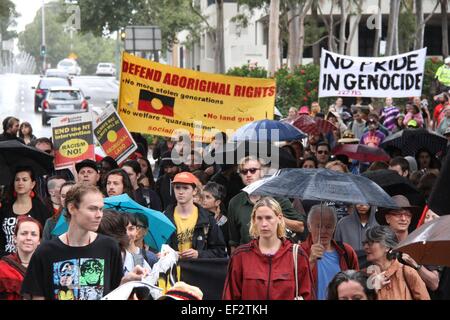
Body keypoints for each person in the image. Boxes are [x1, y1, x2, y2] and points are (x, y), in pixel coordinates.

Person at [21, 184, 144, 300]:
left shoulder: (109, 246)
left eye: (101, 209)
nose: (99, 215)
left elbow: (114, 293)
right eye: (92, 209)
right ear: (72, 208)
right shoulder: (45, 252)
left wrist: (125, 283)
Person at [223, 197, 313, 300]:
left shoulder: (297, 255)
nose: (264, 224)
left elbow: (308, 295)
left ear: (279, 218)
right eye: (259, 218)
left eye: (269, 217)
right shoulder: (240, 256)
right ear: (253, 220)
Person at [228, 156, 304, 252]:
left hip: (276, 256)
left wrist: (276, 218)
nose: (248, 174)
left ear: (262, 172)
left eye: (253, 170)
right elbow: (233, 242)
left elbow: (300, 226)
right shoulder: (235, 202)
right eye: (244, 171)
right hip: (248, 258)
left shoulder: (277, 197)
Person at [376, 195, 439, 292]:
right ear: (387, 218)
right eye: (398, 214)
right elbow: (366, 281)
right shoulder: (378, 246)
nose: (404, 218)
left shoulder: (422, 245)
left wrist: (417, 265)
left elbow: (434, 284)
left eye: (407, 214)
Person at [300, 205, 359, 300]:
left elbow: (357, 284)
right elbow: (293, 283)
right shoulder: (299, 251)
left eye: (328, 227)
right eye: (318, 226)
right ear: (309, 226)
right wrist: (310, 260)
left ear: (334, 227)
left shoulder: (346, 251)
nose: (323, 231)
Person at [164, 172, 227, 259]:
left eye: (185, 188)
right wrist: (164, 254)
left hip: (197, 270)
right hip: (172, 270)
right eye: (177, 187)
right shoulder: (164, 217)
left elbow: (220, 252)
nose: (181, 192)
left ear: (194, 191)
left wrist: (199, 254)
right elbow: (155, 249)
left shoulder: (208, 219)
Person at [363, 225, 430, 300]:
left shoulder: (407, 272)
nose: (365, 247)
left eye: (370, 243)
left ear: (387, 247)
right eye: (364, 243)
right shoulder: (363, 275)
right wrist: (373, 289)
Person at [0, 166, 50, 257]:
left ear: (33, 184)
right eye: (17, 180)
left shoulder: (41, 209)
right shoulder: (5, 208)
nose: (20, 183)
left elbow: (46, 237)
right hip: (7, 261)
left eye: (24, 179)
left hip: (34, 259)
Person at [0, 216, 42, 300]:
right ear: (15, 238)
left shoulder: (45, 268)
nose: (28, 238)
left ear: (39, 241)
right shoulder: (2, 268)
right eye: (24, 233)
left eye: (33, 234)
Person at [334, 204, 379, 268]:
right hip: (349, 266)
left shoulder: (379, 223)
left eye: (366, 202)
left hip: (375, 267)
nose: (362, 205)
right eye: (358, 201)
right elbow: (336, 248)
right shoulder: (342, 223)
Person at [202, 182, 229, 252]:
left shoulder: (224, 221)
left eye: (208, 197)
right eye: (202, 196)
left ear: (217, 202)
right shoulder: (198, 214)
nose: (203, 199)